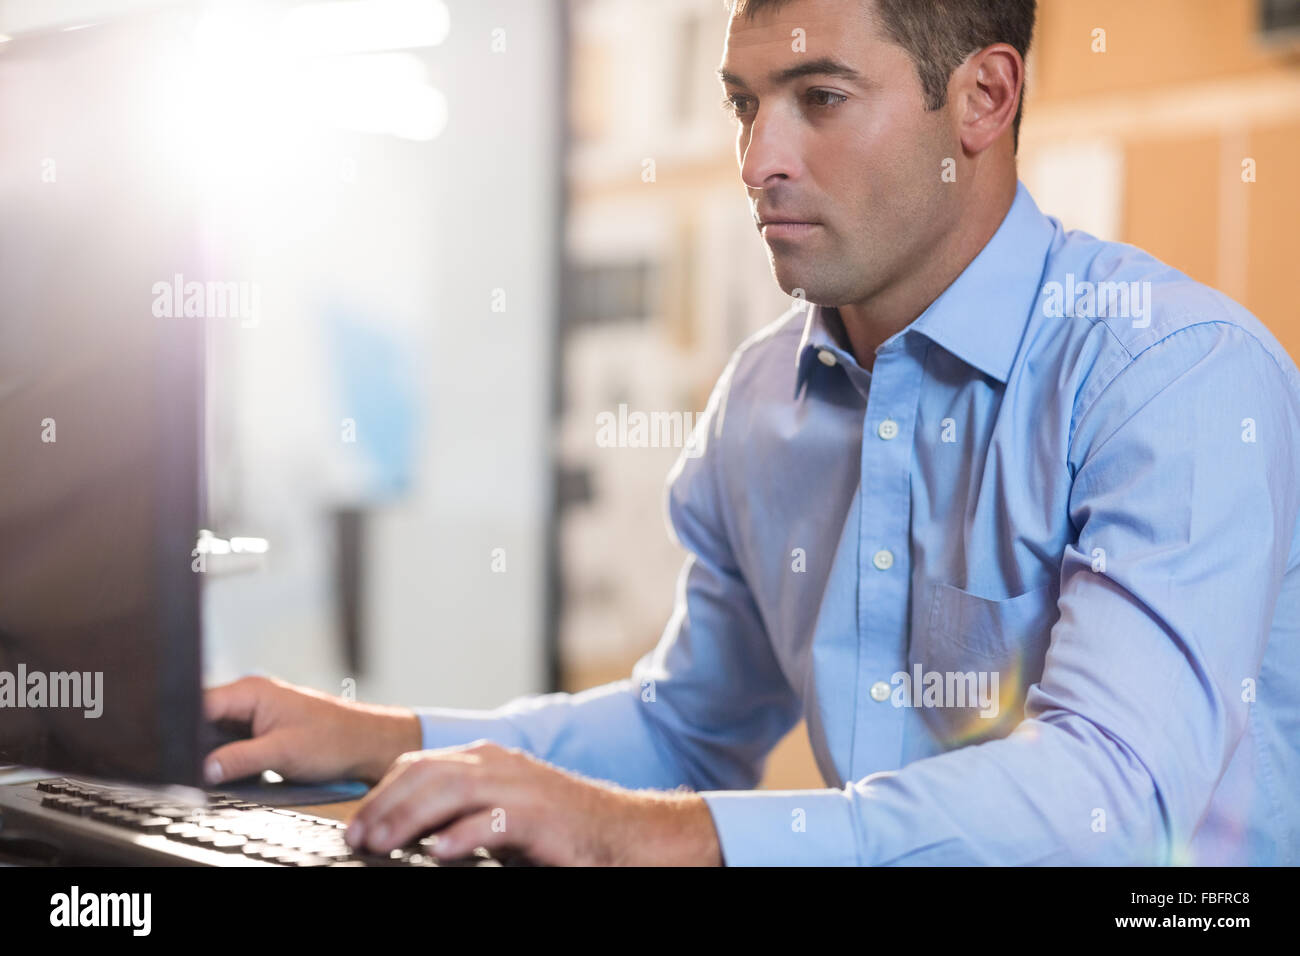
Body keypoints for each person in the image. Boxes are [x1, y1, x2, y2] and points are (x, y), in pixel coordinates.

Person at [204, 0, 1300, 866]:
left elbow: (1109, 799)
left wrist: (646, 835)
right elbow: (688, 726)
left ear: (982, 97)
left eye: (818, 98)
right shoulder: (762, 399)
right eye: (742, 104)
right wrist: (384, 741)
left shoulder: (1172, 372)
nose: (758, 160)